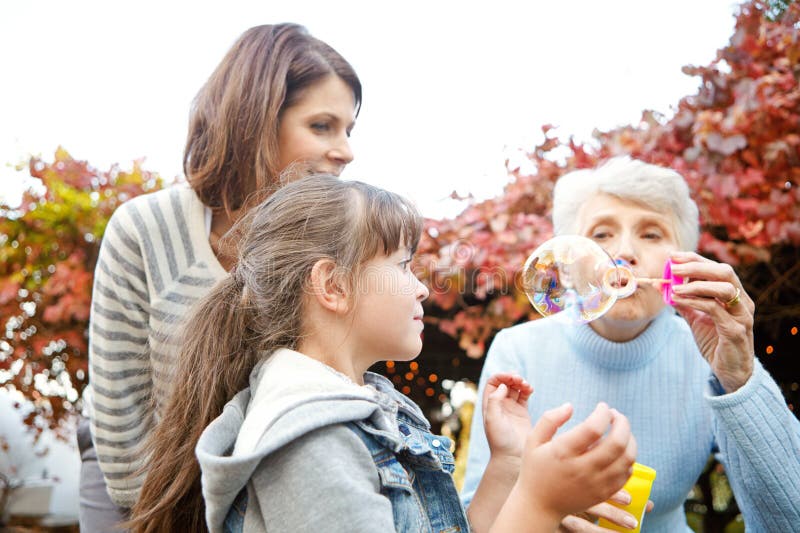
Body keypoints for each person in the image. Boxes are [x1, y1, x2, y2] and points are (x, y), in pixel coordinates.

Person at [138, 175, 638, 532]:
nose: (422, 289)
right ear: (332, 285)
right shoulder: (308, 443)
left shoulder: (375, 409)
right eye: (404, 266)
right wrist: (540, 502)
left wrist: (510, 466)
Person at [81, 23, 362, 532]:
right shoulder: (144, 230)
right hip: (133, 480)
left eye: (349, 130)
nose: (345, 150)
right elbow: (120, 409)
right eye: (322, 126)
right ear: (254, 121)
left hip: (256, 495)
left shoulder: (328, 251)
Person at [462, 156, 800, 532]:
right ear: (569, 266)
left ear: (679, 265)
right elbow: (477, 518)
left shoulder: (708, 353)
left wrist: (740, 377)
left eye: (652, 234)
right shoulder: (518, 349)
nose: (624, 252)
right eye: (602, 234)